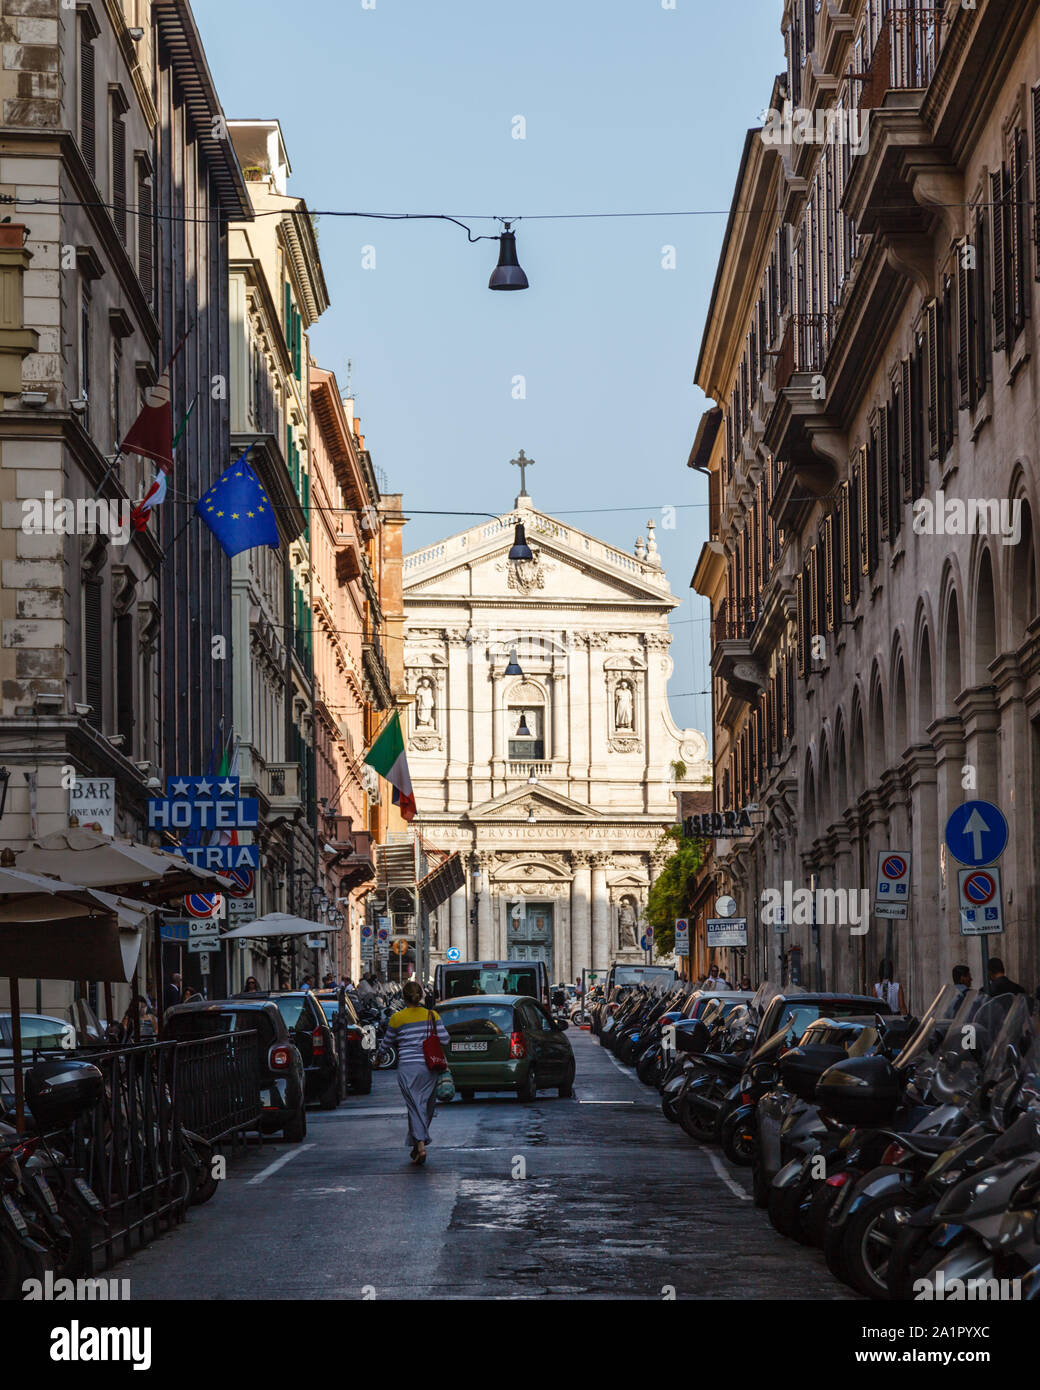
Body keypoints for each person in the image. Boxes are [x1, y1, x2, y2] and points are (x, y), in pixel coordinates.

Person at [385, 980, 450, 1166]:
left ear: (403, 997)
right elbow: (445, 1039)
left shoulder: (397, 1018)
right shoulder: (432, 1015)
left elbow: (386, 1043)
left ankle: (420, 1145)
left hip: (407, 1068)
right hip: (429, 1067)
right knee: (426, 1106)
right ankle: (418, 1143)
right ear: (420, 996)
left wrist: (379, 1056)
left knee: (414, 1105)